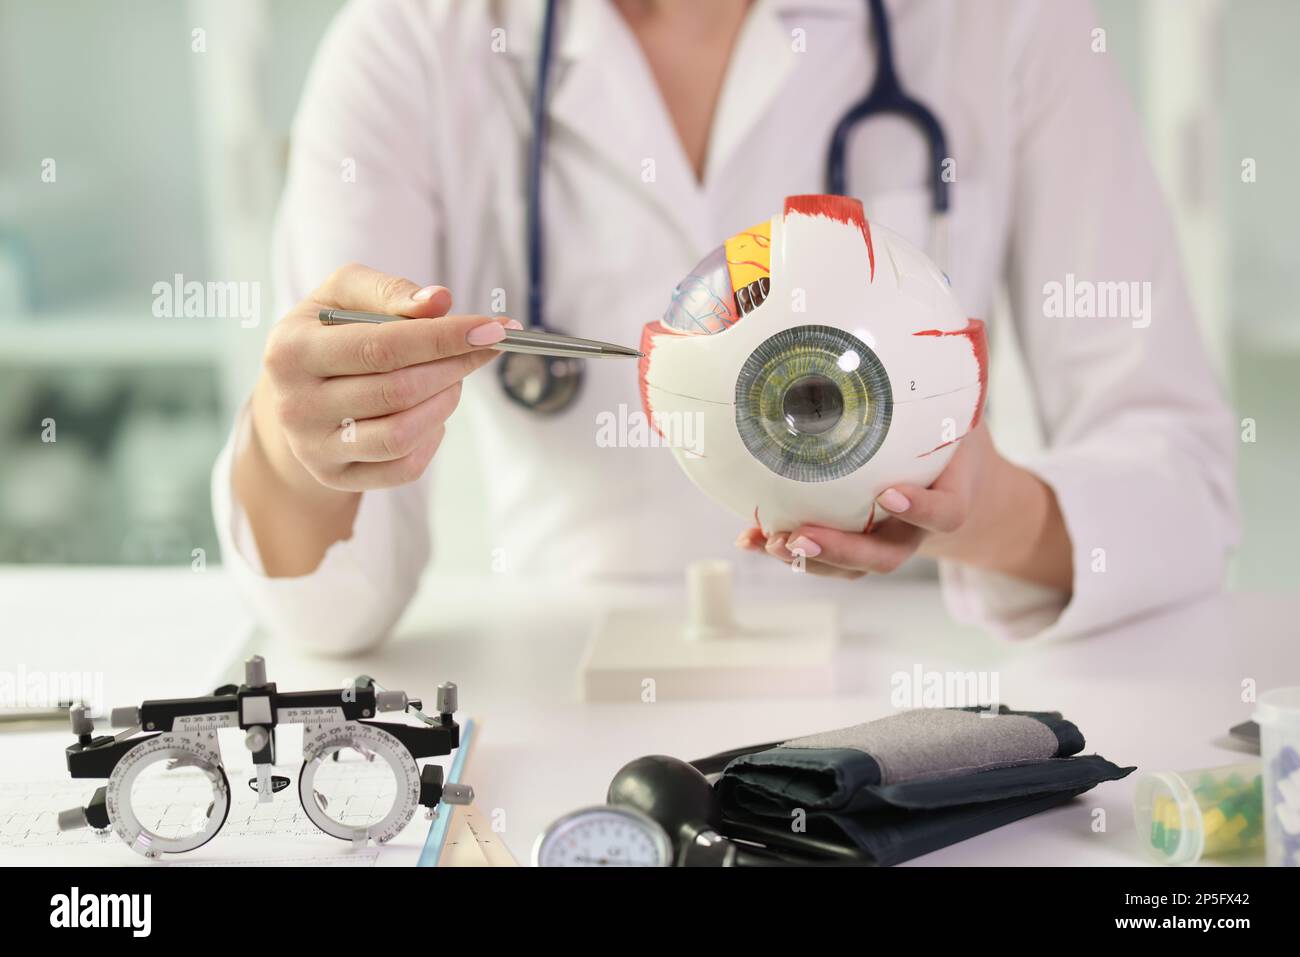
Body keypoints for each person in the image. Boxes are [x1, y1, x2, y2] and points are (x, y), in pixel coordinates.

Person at [213, 0, 1237, 654]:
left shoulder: (1007, 23)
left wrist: (984, 510)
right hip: (576, 694)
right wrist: (298, 437)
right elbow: (328, 612)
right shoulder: (413, 43)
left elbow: (1182, 491)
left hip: (919, 705)